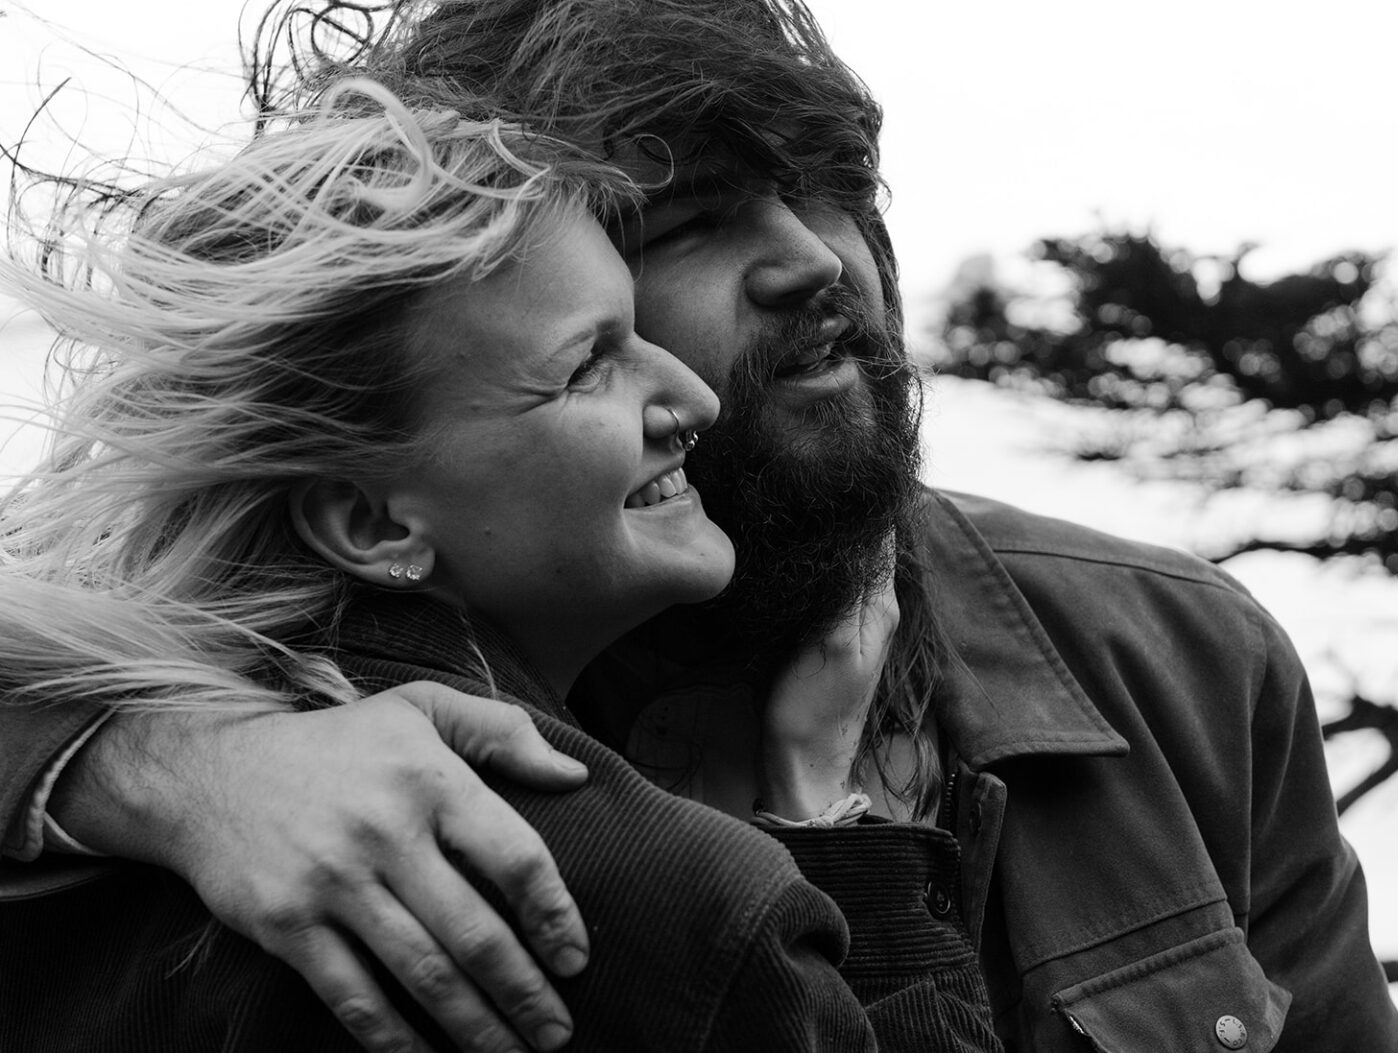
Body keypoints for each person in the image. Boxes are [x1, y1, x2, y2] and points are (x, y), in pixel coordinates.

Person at [2, 0, 1398, 1050]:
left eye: (832, 187)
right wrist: (160, 762)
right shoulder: (377, 746)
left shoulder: (1183, 656)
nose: (816, 259)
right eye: (693, 221)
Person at [0, 74, 999, 1052]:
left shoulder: (93, 805)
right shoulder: (671, 906)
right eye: (586, 367)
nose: (693, 397)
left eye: (637, 330)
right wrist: (834, 820)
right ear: (370, 523)